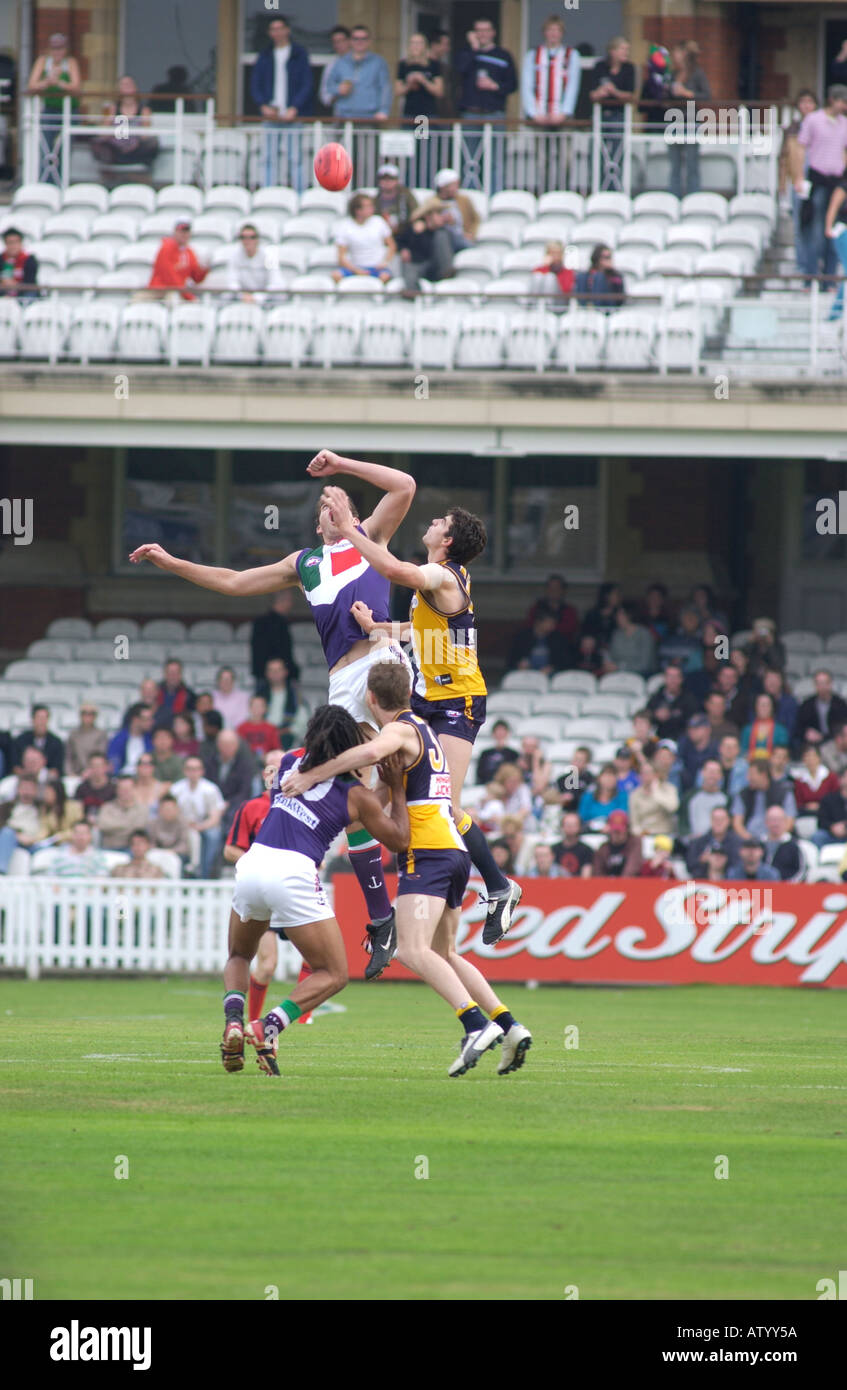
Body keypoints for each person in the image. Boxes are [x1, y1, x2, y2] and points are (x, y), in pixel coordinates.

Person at [130, 447, 417, 961]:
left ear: (351, 513)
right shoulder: (303, 563)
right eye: (322, 508)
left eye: (337, 505)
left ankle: (406, 894)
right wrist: (169, 562)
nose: (328, 511)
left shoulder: (370, 537)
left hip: (381, 656)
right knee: (351, 795)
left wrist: (344, 468)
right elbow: (235, 582)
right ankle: (382, 916)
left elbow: (405, 486)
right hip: (342, 682)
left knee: (384, 767)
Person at [280, 665, 532, 1076]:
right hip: (453, 850)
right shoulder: (426, 732)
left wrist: (312, 773)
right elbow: (383, 796)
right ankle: (510, 1025)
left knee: (412, 950)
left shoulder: (398, 730)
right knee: (445, 953)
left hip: (428, 852)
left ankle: (474, 1025)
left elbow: (367, 754)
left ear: (371, 698)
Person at [325, 485, 523, 947]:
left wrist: (351, 530)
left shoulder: (443, 574)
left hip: (459, 702)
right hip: (428, 700)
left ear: (448, 540)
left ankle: (499, 886)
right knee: (394, 798)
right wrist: (379, 629)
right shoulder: (439, 582)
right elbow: (423, 634)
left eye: (440, 523)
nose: (432, 523)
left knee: (445, 809)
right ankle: (401, 908)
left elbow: (391, 568)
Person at [223, 705, 408, 1075]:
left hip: (253, 862)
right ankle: (267, 1025)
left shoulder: (290, 762)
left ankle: (232, 1022)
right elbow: (399, 839)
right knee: (334, 973)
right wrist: (397, 788)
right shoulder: (356, 795)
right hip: (293, 871)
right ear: (349, 747)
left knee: (239, 955)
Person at [250, 14, 312, 191]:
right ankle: (268, 192)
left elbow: (306, 84)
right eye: (273, 29)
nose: (277, 32)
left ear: (287, 30)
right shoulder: (265, 55)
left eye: (280, 28)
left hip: (293, 114)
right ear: (270, 33)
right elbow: (256, 84)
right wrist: (263, 105)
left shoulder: (299, 54)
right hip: (272, 114)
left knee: (295, 157)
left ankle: (298, 194)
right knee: (268, 157)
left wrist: (295, 107)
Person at [792, 84, 847, 285]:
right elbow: (800, 149)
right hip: (817, 178)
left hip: (836, 182)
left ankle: (830, 277)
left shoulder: (844, 124)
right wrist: (798, 176)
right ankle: (811, 276)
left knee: (834, 230)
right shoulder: (814, 120)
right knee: (814, 230)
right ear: (833, 100)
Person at [456, 17, 517, 195]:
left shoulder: (503, 55)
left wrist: (495, 86)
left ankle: (493, 197)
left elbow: (513, 84)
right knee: (469, 159)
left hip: (494, 114)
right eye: (478, 30)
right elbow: (460, 71)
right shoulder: (466, 53)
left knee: (495, 159)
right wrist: (474, 49)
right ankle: (471, 197)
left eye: (485, 30)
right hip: (471, 114)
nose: (482, 34)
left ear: (493, 33)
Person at [26, 33, 81, 183]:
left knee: (64, 147)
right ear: (49, 49)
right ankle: (45, 180)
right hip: (50, 109)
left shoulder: (70, 63)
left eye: (61, 49)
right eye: (54, 49)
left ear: (66, 50)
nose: (57, 52)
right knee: (46, 145)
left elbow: (76, 87)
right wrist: (47, 82)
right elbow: (32, 85)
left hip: (68, 110)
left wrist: (60, 84)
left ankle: (61, 181)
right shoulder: (43, 62)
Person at [666, 41, 712, 199]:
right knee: (674, 163)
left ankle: (694, 198)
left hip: (691, 121)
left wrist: (687, 93)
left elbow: (706, 95)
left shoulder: (697, 73)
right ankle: (674, 197)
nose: (674, 56)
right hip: (674, 121)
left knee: (692, 162)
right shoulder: (673, 74)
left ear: (684, 54)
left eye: (677, 52)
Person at [590, 37, 636, 189]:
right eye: (623, 49)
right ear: (612, 51)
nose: (626, 53)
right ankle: (598, 186)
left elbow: (630, 94)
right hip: (601, 115)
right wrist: (600, 92)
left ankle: (616, 187)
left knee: (618, 151)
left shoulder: (629, 68)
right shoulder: (600, 67)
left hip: (619, 115)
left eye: (627, 49)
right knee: (598, 151)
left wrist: (614, 91)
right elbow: (591, 94)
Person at [396, 34, 443, 185]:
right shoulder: (403, 65)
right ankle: (409, 184)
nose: (416, 46)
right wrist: (409, 84)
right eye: (413, 43)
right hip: (409, 113)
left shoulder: (433, 65)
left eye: (419, 43)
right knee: (408, 151)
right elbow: (398, 91)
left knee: (425, 151)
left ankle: (425, 184)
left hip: (425, 115)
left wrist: (423, 80)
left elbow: (439, 91)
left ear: (425, 46)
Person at [170, 755, 226, 878]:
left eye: (196, 769)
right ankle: (189, 868)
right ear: (184, 771)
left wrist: (200, 826)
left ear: (202, 771)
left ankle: (204, 873)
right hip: (181, 825)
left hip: (204, 825)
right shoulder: (176, 789)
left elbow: (215, 817)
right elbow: (171, 812)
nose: (193, 773)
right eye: (189, 769)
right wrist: (186, 825)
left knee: (213, 835)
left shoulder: (210, 789)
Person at [324, 23, 392, 122]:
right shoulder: (340, 62)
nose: (359, 42)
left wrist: (384, 111)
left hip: (370, 117)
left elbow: (385, 88)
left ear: (369, 41)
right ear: (350, 41)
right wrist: (339, 89)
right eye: (356, 38)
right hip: (344, 116)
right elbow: (328, 86)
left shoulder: (378, 62)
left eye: (363, 38)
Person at [522, 15, 580, 126]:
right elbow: (527, 85)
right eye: (550, 30)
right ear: (544, 32)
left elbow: (572, 85)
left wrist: (564, 113)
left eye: (557, 30)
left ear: (562, 33)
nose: (553, 34)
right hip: (538, 116)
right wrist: (533, 113)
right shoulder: (532, 54)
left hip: (561, 117)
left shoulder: (571, 55)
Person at [92, 75, 158, 174]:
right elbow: (103, 133)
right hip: (115, 150)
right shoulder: (112, 109)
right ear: (118, 89)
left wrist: (132, 142)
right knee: (98, 144)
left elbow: (145, 135)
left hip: (137, 149)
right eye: (123, 84)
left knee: (152, 143)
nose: (127, 87)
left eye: (129, 84)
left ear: (135, 88)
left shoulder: (144, 110)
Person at [333, 192, 395, 283]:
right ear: (358, 210)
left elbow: (391, 245)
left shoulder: (379, 221)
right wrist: (356, 270)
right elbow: (341, 256)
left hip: (377, 268)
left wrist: (385, 262)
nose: (372, 208)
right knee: (336, 275)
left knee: (385, 277)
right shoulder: (345, 226)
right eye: (368, 206)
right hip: (355, 267)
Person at [395, 199, 455, 293]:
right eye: (439, 213)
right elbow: (400, 240)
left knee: (441, 235)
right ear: (428, 216)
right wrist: (417, 236)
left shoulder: (444, 231)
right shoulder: (414, 229)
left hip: (437, 266)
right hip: (419, 265)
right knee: (409, 264)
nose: (442, 217)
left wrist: (452, 225)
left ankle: (447, 277)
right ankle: (412, 292)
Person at [731, 758, 796, 843]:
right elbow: (737, 823)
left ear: (763, 775)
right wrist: (749, 839)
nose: (748, 778)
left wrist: (774, 837)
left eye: (751, 774)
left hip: (777, 839)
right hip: (749, 840)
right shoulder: (743, 794)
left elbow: (789, 821)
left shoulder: (783, 792)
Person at [147, 221, 210, 302]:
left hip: (177, 291)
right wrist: (187, 295)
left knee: (175, 298)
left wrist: (204, 269)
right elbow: (169, 277)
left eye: (186, 232)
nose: (184, 235)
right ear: (175, 232)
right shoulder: (166, 248)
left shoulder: (189, 253)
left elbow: (196, 278)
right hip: (159, 289)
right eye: (181, 232)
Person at [226, 223, 286, 303]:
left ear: (257, 239)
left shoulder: (269, 255)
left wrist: (257, 297)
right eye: (243, 237)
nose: (247, 241)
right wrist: (242, 296)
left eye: (252, 237)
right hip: (242, 300)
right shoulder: (234, 256)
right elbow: (232, 282)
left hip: (267, 301)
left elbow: (275, 283)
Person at [793, 668, 847, 751]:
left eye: (825, 683)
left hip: (835, 743)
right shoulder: (807, 705)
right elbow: (798, 727)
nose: (822, 686)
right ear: (815, 685)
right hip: (812, 744)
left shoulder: (840, 704)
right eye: (819, 683)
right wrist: (806, 732)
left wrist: (824, 737)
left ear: (830, 684)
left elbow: (842, 726)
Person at [255, 657, 302, 749]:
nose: (275, 673)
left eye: (278, 670)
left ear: (285, 672)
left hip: (287, 738)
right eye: (271, 670)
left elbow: (302, 723)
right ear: (267, 673)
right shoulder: (260, 694)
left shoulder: (295, 695)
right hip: (263, 737)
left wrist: (285, 731)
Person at [251, 592, 299, 683]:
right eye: (289, 601)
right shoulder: (280, 624)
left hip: (262, 674)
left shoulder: (259, 622)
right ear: (283, 601)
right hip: (278, 677)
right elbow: (284, 651)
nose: (291, 604)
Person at [685, 805, 743, 877]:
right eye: (715, 819)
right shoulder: (698, 842)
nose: (718, 823)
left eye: (721, 819)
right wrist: (702, 860)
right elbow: (690, 865)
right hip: (704, 882)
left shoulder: (737, 843)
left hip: (731, 884)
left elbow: (741, 865)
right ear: (710, 820)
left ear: (728, 821)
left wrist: (723, 861)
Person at [38, 821, 110, 878]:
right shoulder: (59, 855)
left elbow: (101, 879)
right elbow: (51, 878)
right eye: (77, 833)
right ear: (72, 835)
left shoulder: (98, 856)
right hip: (63, 894)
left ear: (90, 836)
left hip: (88, 895)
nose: (80, 837)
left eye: (84, 833)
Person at [0, 776, 43, 873]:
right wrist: (17, 835)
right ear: (18, 789)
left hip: (36, 842)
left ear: (36, 790)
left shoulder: (42, 808)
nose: (26, 792)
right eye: (24, 788)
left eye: (30, 788)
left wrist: (34, 839)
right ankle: (1, 871)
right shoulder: (7, 806)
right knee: (7, 833)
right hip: (11, 840)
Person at [97, 775, 151, 851]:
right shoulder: (107, 808)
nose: (125, 792)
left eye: (128, 789)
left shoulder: (142, 809)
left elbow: (138, 828)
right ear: (117, 790)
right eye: (122, 789)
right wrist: (129, 824)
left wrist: (114, 828)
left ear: (134, 789)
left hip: (132, 850)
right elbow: (102, 825)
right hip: (109, 849)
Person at [628, 758, 679, 836]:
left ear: (656, 774)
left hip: (664, 833)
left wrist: (656, 791)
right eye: (642, 773)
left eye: (648, 772)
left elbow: (672, 807)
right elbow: (634, 822)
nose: (644, 776)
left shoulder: (669, 789)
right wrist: (639, 833)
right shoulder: (635, 794)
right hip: (643, 834)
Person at [433, 168, 480, 251]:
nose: (456, 188)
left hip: (461, 237)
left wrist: (471, 233)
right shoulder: (433, 202)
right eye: (453, 185)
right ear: (444, 187)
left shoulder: (464, 200)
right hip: (442, 239)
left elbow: (475, 219)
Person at [11, 704, 64, 775]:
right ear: (32, 720)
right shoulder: (20, 740)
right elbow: (15, 767)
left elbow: (56, 770)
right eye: (39, 718)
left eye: (44, 718)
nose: (42, 722)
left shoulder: (56, 742)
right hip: (24, 779)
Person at [607, 602, 655, 676]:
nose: (617, 617)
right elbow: (611, 656)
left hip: (641, 675)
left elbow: (645, 664)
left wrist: (620, 667)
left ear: (630, 615)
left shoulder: (644, 634)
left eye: (621, 614)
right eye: (617, 615)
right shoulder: (616, 634)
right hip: (618, 674)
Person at [739, 693, 789, 763]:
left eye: (767, 705)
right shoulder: (747, 730)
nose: (764, 708)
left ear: (772, 707)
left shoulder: (780, 730)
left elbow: (782, 753)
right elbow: (742, 752)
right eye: (761, 705)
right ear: (755, 707)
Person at [578, 763, 629, 829]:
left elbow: (622, 817)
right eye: (606, 775)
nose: (609, 779)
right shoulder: (587, 797)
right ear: (599, 778)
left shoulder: (623, 797)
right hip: (589, 833)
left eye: (613, 776)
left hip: (614, 833)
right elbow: (581, 819)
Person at [107, 702, 154, 775]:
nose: (151, 722)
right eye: (147, 719)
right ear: (135, 720)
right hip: (122, 779)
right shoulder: (118, 740)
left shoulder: (151, 739)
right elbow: (113, 764)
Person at [592, 810, 642, 876]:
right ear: (609, 829)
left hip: (629, 884)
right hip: (606, 885)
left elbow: (632, 869)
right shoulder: (603, 848)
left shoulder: (635, 843)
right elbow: (598, 873)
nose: (617, 834)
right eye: (614, 830)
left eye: (620, 830)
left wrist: (620, 885)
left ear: (627, 829)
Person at [824, 176, 847, 319]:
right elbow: (833, 208)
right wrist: (828, 228)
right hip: (843, 231)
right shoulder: (843, 187)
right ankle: (834, 314)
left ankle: (836, 313)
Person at [794, 742, 838, 816]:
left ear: (819, 758)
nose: (811, 760)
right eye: (807, 756)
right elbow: (798, 803)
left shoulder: (831, 777)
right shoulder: (799, 780)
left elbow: (835, 799)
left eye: (813, 756)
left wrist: (821, 806)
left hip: (828, 815)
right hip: (806, 815)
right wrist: (806, 806)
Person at [64, 703, 108, 777]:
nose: (87, 717)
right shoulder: (73, 735)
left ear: (95, 716)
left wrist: (90, 771)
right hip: (76, 773)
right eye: (84, 713)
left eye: (91, 714)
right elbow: (68, 757)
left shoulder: (101, 734)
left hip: (94, 773)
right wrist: (70, 773)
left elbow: (100, 756)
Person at [575, 244, 625, 309]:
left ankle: (596, 309)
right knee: (581, 277)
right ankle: (584, 308)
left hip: (609, 305)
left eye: (609, 257)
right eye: (606, 257)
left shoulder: (616, 276)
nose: (608, 260)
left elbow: (619, 297)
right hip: (588, 303)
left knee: (599, 277)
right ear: (597, 258)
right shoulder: (586, 275)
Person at [762, 806, 804, 881]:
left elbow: (800, 871)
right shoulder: (759, 844)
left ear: (785, 822)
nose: (775, 823)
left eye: (779, 820)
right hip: (761, 889)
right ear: (766, 822)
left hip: (787, 888)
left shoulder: (794, 845)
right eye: (772, 820)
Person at [150, 793, 191, 867]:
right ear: (160, 810)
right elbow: (152, 842)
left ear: (176, 809)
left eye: (170, 809)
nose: (168, 812)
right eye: (165, 809)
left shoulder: (183, 823)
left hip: (177, 854)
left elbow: (184, 845)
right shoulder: (153, 823)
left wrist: (171, 851)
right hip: (159, 853)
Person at [374, 164, 417, 233]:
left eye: (391, 179)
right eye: (383, 179)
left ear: (397, 180)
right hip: (383, 231)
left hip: (404, 230)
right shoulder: (375, 199)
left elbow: (415, 210)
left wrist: (418, 222)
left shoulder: (406, 195)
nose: (387, 182)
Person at [531, 240, 575, 307]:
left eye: (558, 253)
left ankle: (547, 306)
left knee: (550, 277)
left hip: (559, 303)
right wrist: (547, 267)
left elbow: (566, 290)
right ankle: (532, 307)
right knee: (538, 276)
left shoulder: (567, 272)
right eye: (552, 253)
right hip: (539, 301)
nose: (555, 256)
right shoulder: (540, 269)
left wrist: (554, 275)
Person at [237, 694, 282, 760]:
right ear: (249, 708)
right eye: (254, 706)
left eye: (260, 706)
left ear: (265, 709)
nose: (257, 708)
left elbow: (277, 750)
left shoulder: (271, 728)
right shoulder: (241, 728)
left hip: (266, 761)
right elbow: (238, 749)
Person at [550, 811, 594, 877]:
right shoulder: (553, 849)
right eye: (567, 824)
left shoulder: (587, 850)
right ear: (562, 827)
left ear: (579, 827)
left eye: (573, 825)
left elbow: (586, 877)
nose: (570, 827)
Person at [476, 720, 520, 785]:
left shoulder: (513, 754)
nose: (500, 733)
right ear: (493, 733)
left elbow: (515, 773)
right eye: (498, 731)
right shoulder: (485, 753)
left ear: (507, 733)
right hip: (488, 785)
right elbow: (480, 774)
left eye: (503, 731)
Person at [76, 752, 116, 820]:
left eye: (99, 766)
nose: (96, 769)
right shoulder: (82, 788)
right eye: (93, 766)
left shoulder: (113, 789)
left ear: (106, 767)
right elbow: (77, 808)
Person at [0, 228, 38, 300]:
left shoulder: (29, 260)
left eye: (16, 242)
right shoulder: (1, 260)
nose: (13, 246)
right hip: (3, 292)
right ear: (5, 244)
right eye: (10, 242)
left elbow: (30, 282)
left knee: (30, 294)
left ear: (21, 243)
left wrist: (15, 285)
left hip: (23, 293)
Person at [319, 26, 351, 112]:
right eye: (335, 42)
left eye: (341, 41)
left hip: (363, 115)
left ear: (349, 41)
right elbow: (325, 97)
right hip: (341, 115)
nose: (338, 45)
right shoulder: (331, 66)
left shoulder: (362, 63)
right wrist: (338, 92)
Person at [132, 753, 166, 818]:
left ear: (154, 767)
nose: (145, 767)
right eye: (142, 764)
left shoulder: (162, 789)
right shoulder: (130, 789)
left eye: (149, 764)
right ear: (137, 767)